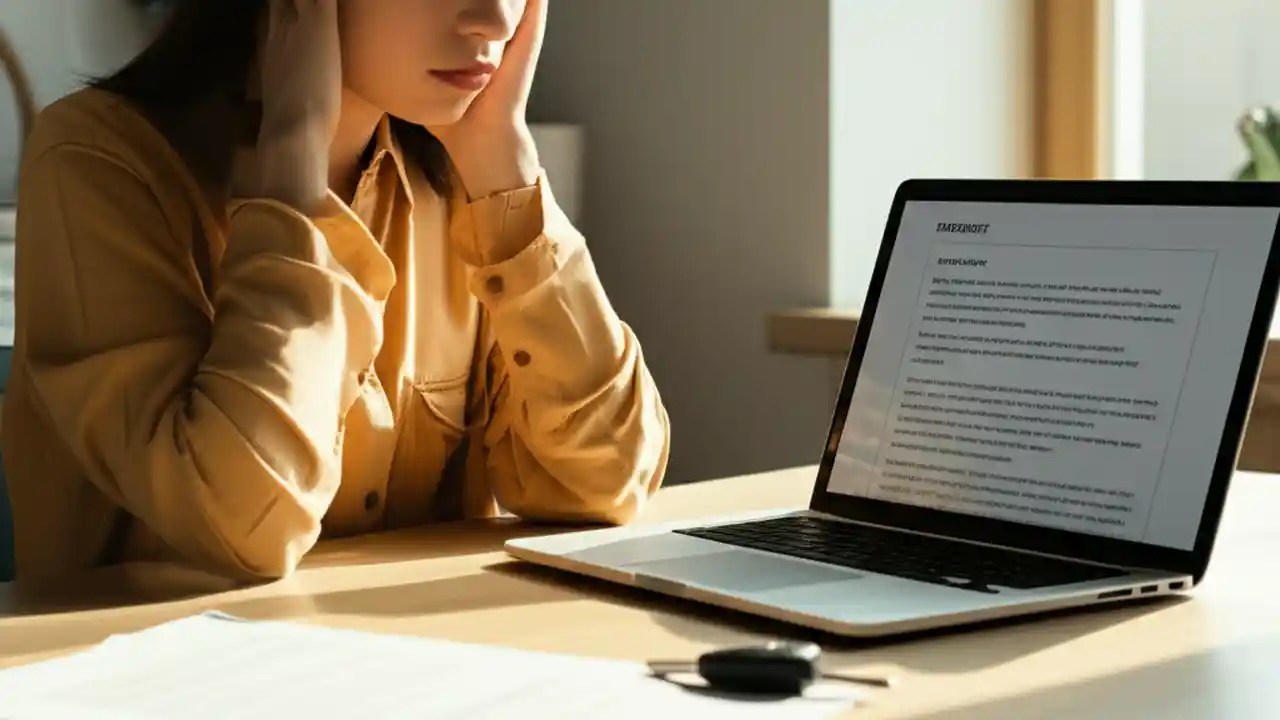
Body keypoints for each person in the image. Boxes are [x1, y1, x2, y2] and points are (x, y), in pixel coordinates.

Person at [0, 0, 670, 582]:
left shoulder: (458, 182)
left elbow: (608, 479)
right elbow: (244, 526)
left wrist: (505, 163)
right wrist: (294, 162)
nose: (495, 19)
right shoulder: (99, 162)